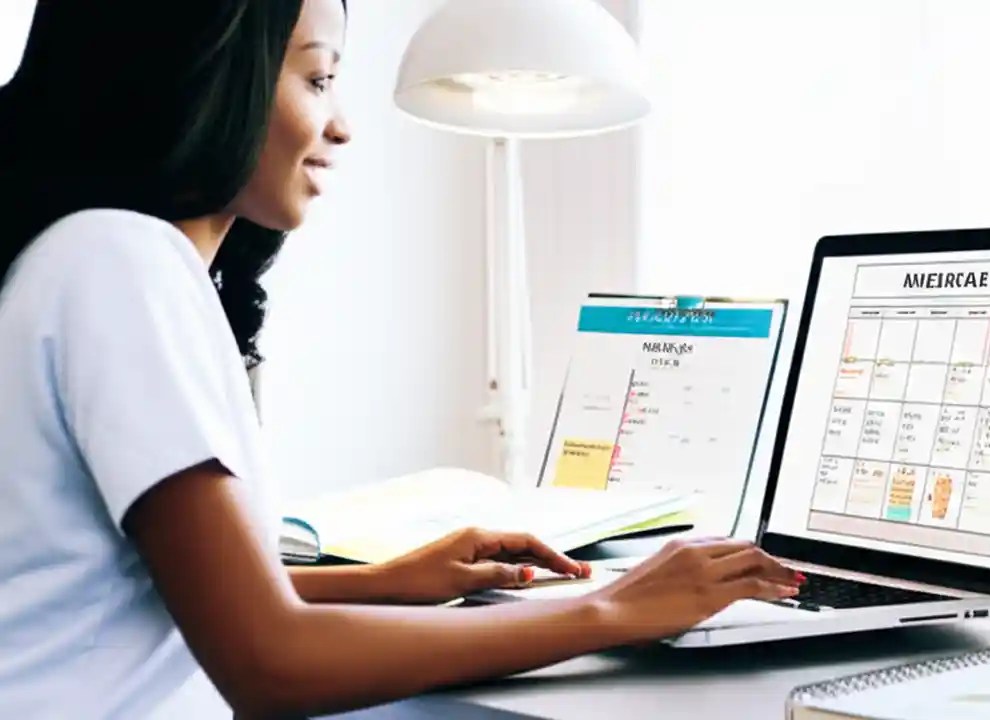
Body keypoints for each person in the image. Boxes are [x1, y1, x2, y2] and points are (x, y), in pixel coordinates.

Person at [0, 1, 802, 717]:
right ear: (207, 74)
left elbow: (135, 597)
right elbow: (267, 662)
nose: (341, 126)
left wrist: (385, 580)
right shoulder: (118, 262)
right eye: (318, 80)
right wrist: (616, 609)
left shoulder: (85, 256)